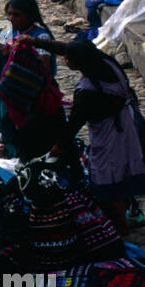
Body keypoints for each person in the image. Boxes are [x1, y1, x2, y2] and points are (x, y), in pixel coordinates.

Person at [41, 41, 145, 235]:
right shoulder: (106, 63)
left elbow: (73, 125)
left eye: (68, 58)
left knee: (110, 183)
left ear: (78, 61)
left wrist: (57, 148)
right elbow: (69, 49)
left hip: (109, 135)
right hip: (127, 123)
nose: (65, 59)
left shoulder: (87, 91)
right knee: (123, 170)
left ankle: (121, 228)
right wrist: (36, 42)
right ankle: (130, 213)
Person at [0, 0, 67, 159]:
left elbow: (44, 66)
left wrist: (19, 55)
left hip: (33, 95)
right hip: (14, 91)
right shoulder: (9, 33)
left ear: (30, 16)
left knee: (33, 134)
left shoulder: (40, 37)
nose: (11, 18)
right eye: (9, 14)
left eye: (17, 15)